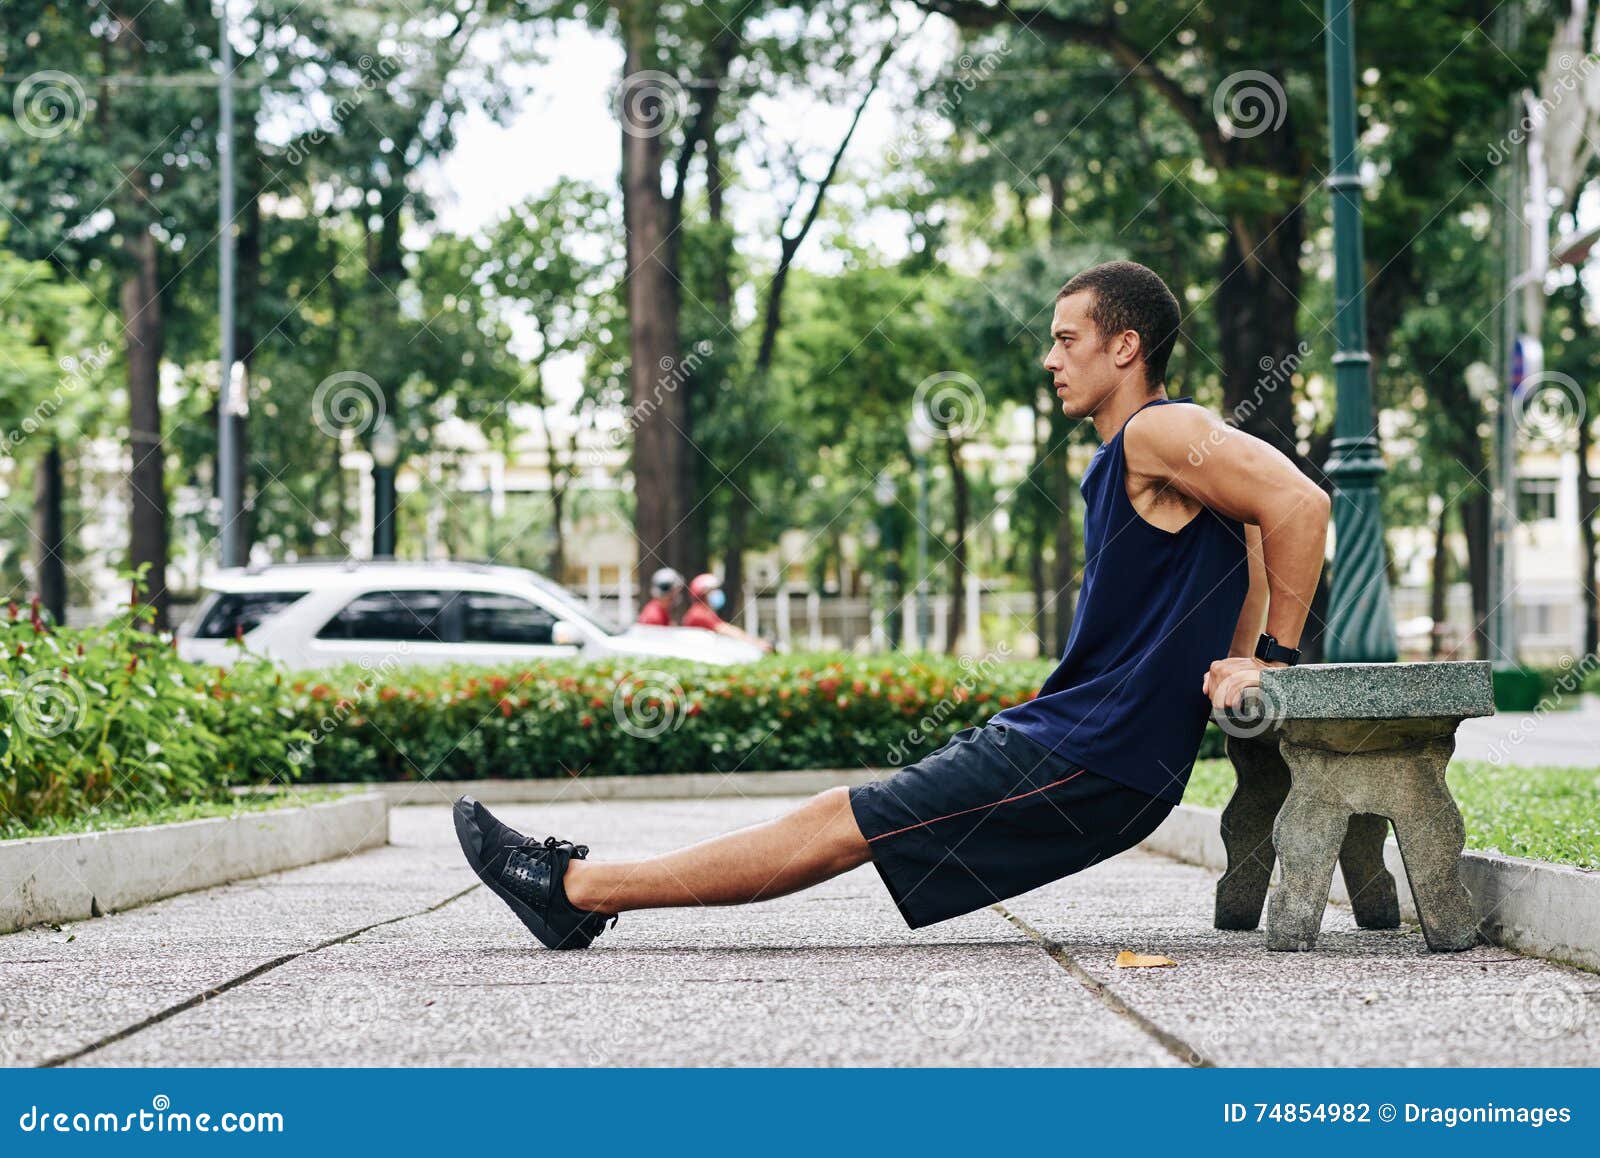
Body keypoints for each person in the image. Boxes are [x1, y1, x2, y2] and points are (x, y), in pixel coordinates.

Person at [453, 260, 1330, 950]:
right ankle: (582, 890)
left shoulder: (1160, 430)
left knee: (845, 820)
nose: (1049, 359)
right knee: (856, 816)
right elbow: (1253, 540)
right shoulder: (1135, 457)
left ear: (1126, 348)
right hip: (1088, 743)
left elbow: (1299, 505)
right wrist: (1236, 657)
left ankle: (575, 890)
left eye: (1068, 340)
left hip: (1096, 751)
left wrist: (1269, 664)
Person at [680, 572, 771, 652]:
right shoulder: (698, 614)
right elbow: (726, 630)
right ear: (703, 594)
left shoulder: (705, 612)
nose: (717, 593)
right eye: (713, 590)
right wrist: (756, 643)